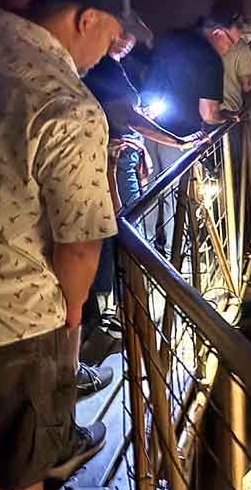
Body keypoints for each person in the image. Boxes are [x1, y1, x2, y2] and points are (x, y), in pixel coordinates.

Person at [0, 0, 134, 490]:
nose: (106, 50)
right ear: (86, 18)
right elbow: (79, 241)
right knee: (16, 456)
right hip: (12, 314)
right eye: (108, 35)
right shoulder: (65, 103)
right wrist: (73, 312)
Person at [83, 29, 199, 358]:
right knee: (125, 233)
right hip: (116, 161)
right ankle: (118, 313)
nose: (129, 42)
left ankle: (115, 310)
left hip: (121, 157)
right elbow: (126, 116)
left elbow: (121, 115)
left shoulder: (108, 66)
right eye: (122, 33)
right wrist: (177, 141)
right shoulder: (102, 68)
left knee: (118, 232)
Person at [141, 8, 240, 250]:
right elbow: (209, 113)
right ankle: (176, 258)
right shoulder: (209, 59)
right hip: (181, 136)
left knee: (148, 196)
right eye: (230, 42)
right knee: (178, 197)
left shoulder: (170, 38)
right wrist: (227, 116)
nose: (229, 49)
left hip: (148, 127)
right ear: (218, 33)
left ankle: (145, 250)